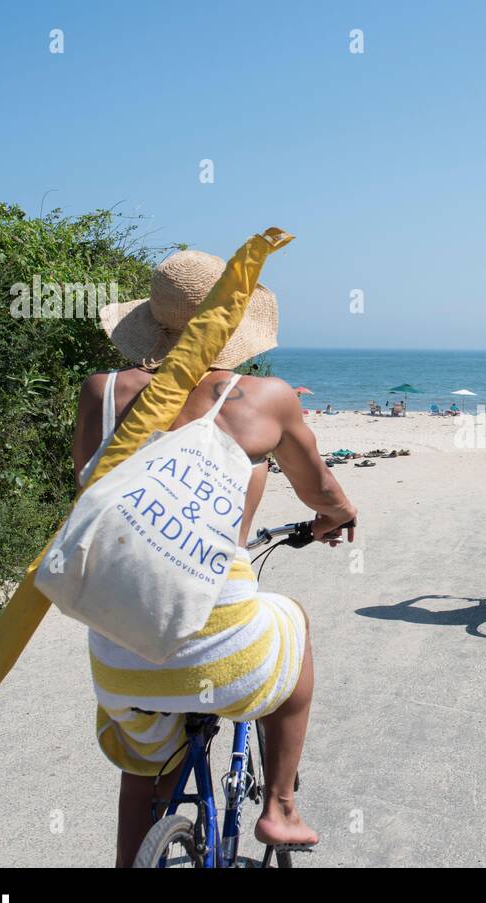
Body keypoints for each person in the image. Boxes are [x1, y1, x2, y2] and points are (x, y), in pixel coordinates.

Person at [77, 249, 357, 866]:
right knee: (293, 621)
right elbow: (321, 490)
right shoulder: (264, 398)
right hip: (227, 647)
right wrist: (335, 518)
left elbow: (94, 493)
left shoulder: (99, 393)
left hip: (121, 654)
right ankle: (280, 806)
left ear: (151, 322)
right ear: (234, 327)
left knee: (145, 766)